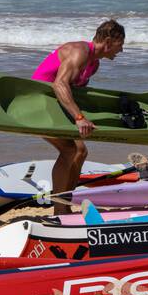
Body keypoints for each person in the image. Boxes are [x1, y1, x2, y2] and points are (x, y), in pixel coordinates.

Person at [32, 20, 126, 212]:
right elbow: (60, 85)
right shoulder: (80, 52)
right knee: (69, 150)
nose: (121, 50)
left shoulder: (94, 63)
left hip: (54, 107)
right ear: (108, 42)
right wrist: (79, 118)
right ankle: (60, 208)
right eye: (120, 44)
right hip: (37, 104)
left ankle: (67, 200)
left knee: (80, 151)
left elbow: (75, 93)